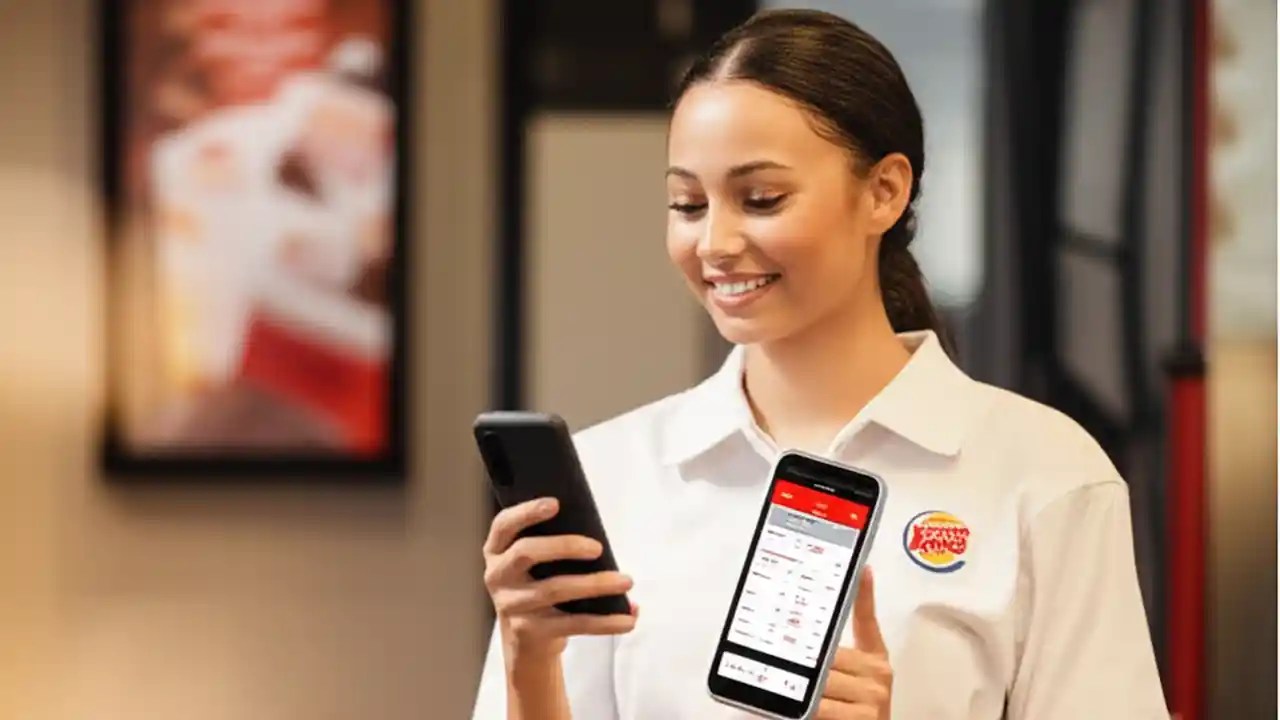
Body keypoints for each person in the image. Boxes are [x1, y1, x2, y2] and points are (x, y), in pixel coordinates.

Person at [470, 9, 1168, 720]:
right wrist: (530, 663)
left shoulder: (1045, 474)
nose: (714, 241)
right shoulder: (612, 475)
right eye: (687, 203)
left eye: (761, 199)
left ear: (885, 192)